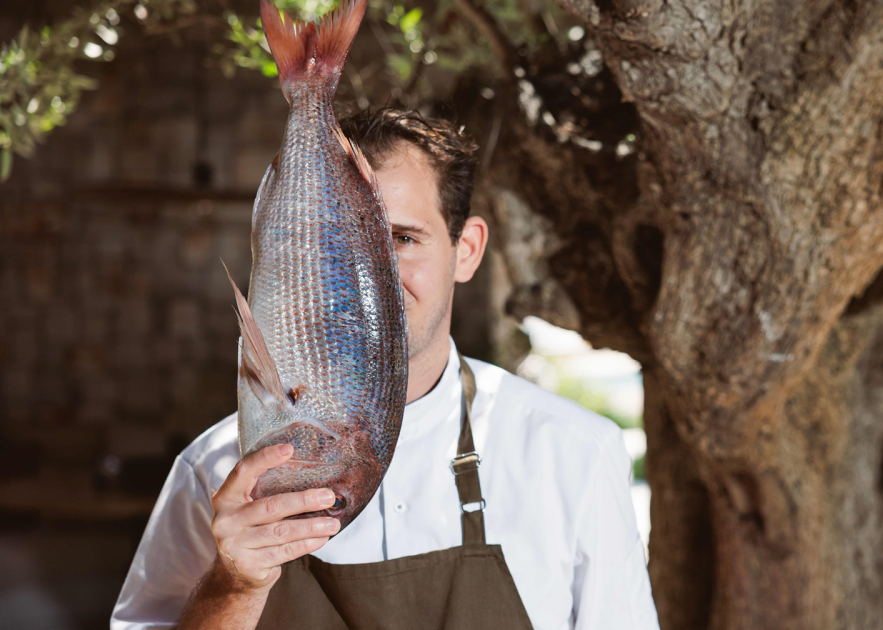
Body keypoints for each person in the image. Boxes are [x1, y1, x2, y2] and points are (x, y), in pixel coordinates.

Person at [111, 108, 659, 630]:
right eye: (337, 244)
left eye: (401, 239)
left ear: (467, 250)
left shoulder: (574, 454)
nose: (366, 275)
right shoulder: (214, 471)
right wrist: (232, 586)